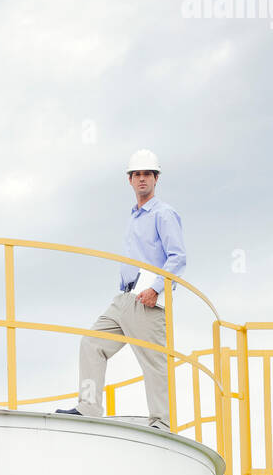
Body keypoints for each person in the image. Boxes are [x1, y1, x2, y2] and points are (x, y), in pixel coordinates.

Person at [58, 149, 186, 431]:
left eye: (147, 175)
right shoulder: (135, 215)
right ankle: (89, 407)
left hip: (147, 298)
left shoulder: (163, 214)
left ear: (156, 179)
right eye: (137, 174)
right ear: (130, 180)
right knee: (91, 343)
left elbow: (177, 258)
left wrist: (155, 289)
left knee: (153, 361)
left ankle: (161, 423)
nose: (142, 179)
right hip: (124, 297)